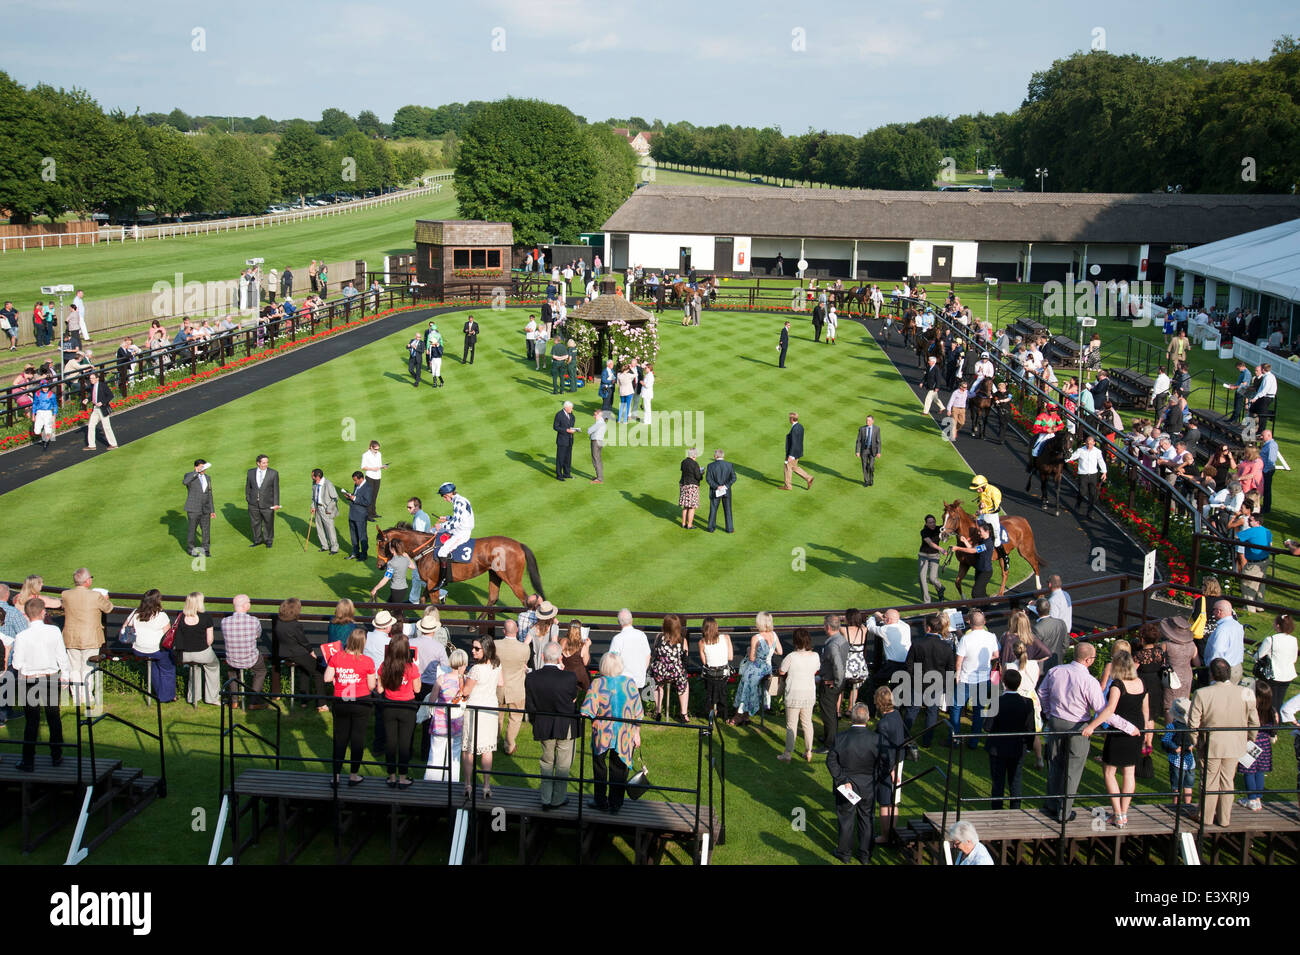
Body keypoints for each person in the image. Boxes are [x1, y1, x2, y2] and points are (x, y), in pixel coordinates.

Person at [1038, 641, 1138, 823]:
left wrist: (1048, 712)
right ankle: (1064, 812)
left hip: (1056, 722)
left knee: (1055, 763)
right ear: (1088, 660)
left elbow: (1042, 692)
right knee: (1073, 770)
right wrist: (1129, 727)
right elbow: (1103, 710)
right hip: (1078, 727)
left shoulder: (1056, 671)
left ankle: (1051, 804)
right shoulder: (1089, 681)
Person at [1188, 658, 1260, 827]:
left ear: (1212, 674)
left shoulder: (1202, 693)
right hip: (1235, 743)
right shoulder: (1245, 692)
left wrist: (1197, 742)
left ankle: (1205, 817)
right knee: (1228, 781)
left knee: (1209, 781)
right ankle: (1224, 819)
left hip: (1211, 744)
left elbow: (1193, 724)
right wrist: (1249, 739)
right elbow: (1254, 722)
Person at [1082, 649, 1149, 828]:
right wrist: (1147, 733)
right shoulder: (1141, 682)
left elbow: (1110, 710)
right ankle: (1124, 813)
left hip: (1120, 731)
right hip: (1137, 729)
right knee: (1129, 772)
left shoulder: (1117, 685)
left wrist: (1091, 726)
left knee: (1109, 772)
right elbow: (1146, 710)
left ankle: (1118, 814)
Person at [581, 652, 644, 814]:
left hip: (603, 733)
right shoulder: (629, 684)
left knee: (600, 767)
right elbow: (638, 712)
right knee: (619, 768)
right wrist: (636, 733)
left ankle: (600, 801)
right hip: (624, 734)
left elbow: (587, 710)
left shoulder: (598, 684)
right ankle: (616, 804)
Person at [11, 597, 69, 771]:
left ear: (27, 615)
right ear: (43, 613)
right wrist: (64, 675)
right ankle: (56, 756)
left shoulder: (21, 636)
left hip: (30, 680)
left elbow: (16, 664)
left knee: (32, 721)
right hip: (50, 677)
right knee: (54, 718)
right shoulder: (54, 631)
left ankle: (28, 761)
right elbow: (62, 656)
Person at [525, 641, 579, 809]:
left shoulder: (532, 677)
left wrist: (536, 721)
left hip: (544, 723)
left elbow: (530, 705)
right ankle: (557, 798)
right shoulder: (569, 677)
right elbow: (573, 699)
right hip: (565, 725)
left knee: (547, 762)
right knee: (563, 764)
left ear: (543, 656)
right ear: (560, 657)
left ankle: (546, 798)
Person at [826, 702, 880, 864]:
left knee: (846, 819)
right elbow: (883, 762)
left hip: (846, 785)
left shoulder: (840, 738)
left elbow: (831, 761)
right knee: (867, 819)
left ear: (851, 717)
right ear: (868, 718)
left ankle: (844, 853)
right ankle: (865, 855)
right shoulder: (876, 739)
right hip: (868, 785)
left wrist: (842, 780)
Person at [323, 627, 376, 786]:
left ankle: (336, 775)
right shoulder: (367, 661)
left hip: (341, 700)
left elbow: (327, 678)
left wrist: (341, 678)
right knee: (357, 738)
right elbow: (372, 685)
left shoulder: (337, 657)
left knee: (340, 738)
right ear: (363, 643)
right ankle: (353, 775)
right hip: (361, 701)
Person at [60, 568, 112, 706]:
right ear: (87, 581)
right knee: (88, 668)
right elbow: (108, 608)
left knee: (74, 668)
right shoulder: (95, 596)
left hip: (71, 636)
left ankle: (77, 696)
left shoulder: (66, 594)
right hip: (90, 637)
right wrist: (105, 598)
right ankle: (87, 696)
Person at [461, 635, 504, 798]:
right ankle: (486, 786)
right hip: (490, 708)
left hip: (475, 708)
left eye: (477, 648)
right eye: (473, 647)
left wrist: (461, 676)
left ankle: (468, 785)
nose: (473, 651)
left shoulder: (476, 669)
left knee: (468, 749)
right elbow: (500, 683)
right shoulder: (496, 664)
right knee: (487, 749)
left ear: (486, 649)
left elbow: (465, 691)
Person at [378, 633, 421, 787]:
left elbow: (380, 688)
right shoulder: (411, 667)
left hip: (389, 705)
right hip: (407, 707)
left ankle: (391, 776)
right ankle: (403, 777)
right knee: (404, 742)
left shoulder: (384, 666)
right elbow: (417, 689)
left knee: (390, 741)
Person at [272, 598, 328, 710]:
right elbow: (303, 641)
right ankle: (321, 704)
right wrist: (311, 651)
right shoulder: (295, 625)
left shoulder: (278, 622)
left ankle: (304, 699)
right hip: (297, 653)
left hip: (286, 653)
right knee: (319, 672)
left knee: (305, 670)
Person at [424, 647, 467, 782]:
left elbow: (432, 700)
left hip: (440, 721)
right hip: (458, 722)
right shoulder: (466, 681)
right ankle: (452, 781)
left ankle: (432, 781)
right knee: (454, 754)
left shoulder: (441, 679)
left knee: (436, 752)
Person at [732, 612, 782, 725]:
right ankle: (746, 715)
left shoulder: (756, 638)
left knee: (744, 684)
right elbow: (780, 651)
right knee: (750, 685)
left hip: (756, 669)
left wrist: (749, 650)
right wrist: (769, 651)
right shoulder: (774, 635)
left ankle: (739, 714)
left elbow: (752, 658)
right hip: (767, 668)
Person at [778, 628, 820, 762]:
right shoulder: (815, 656)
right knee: (807, 723)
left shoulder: (791, 657)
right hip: (808, 693)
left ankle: (787, 753)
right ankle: (808, 751)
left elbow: (782, 671)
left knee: (791, 724)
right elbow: (816, 669)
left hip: (794, 693)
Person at [128, 589, 177, 704]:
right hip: (156, 650)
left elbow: (127, 626)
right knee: (168, 668)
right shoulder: (161, 615)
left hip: (139, 649)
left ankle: (161, 693)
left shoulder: (136, 613)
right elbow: (168, 635)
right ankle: (167, 696)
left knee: (155, 666)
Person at [174, 591, 219, 705]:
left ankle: (192, 697)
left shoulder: (180, 617)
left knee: (194, 667)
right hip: (202, 652)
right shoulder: (206, 617)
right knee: (213, 667)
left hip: (184, 654)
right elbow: (210, 640)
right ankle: (212, 698)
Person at [1238, 682, 1277, 812]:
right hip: (1265, 743)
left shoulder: (1250, 709)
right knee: (1260, 771)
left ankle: (1251, 799)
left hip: (1251, 742)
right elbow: (1274, 727)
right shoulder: (1271, 710)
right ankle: (1258, 799)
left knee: (1249, 772)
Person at [221, 594, 264, 709]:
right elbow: (258, 635)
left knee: (232, 673)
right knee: (261, 671)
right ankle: (254, 701)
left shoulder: (225, 621)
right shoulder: (254, 621)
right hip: (250, 658)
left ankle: (234, 700)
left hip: (232, 658)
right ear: (246, 605)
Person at [873, 685, 905, 842]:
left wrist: (890, 770)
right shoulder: (897, 715)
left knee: (885, 803)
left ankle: (886, 836)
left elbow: (884, 751)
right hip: (899, 761)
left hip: (888, 766)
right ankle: (892, 833)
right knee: (894, 801)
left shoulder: (882, 724)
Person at [432, 482, 474, 599]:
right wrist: (446, 518)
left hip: (461, 533)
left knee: (442, 552)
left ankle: (443, 579)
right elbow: (459, 518)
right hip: (460, 529)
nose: (445, 499)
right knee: (436, 533)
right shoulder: (460, 500)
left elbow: (456, 523)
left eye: (444, 496)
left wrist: (442, 526)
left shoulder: (458, 502)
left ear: (450, 494)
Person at [495, 626, 530, 755]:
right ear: (517, 631)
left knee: (497, 715)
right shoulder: (524, 648)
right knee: (515, 717)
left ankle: (495, 740)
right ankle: (509, 745)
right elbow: (524, 662)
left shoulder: (495, 645)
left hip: (499, 686)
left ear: (504, 631)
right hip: (516, 688)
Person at [649, 615, 690, 723]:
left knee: (658, 684)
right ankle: (684, 714)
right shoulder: (682, 640)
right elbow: (685, 659)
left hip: (660, 672)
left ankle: (658, 712)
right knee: (684, 684)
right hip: (675, 673)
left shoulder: (658, 637)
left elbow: (655, 653)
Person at [817, 615, 849, 752]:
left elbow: (837, 666)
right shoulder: (842, 640)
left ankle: (829, 744)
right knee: (830, 712)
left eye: (824, 625)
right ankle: (829, 737)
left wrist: (836, 683)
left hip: (830, 683)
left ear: (828, 627)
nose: (823, 627)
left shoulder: (832, 644)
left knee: (828, 714)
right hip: (836, 681)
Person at [1256, 613, 1297, 710]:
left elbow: (1258, 656)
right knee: (1279, 702)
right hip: (1287, 676)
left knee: (1270, 703)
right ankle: (1277, 722)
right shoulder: (1293, 639)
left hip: (1273, 676)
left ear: (1278, 625)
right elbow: (1294, 659)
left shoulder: (1270, 640)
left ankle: (1272, 723)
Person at [244, 454, 281, 548]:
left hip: (268, 504)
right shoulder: (250, 472)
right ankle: (257, 540)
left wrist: (276, 503)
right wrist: (248, 498)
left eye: (267, 462)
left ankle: (269, 541)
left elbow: (276, 489)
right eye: (264, 462)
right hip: (253, 504)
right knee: (255, 523)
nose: (266, 464)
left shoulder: (273, 473)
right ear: (258, 463)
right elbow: (248, 487)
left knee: (268, 523)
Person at [1204, 600, 1245, 685]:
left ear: (1219, 611)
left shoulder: (1222, 629)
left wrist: (1213, 670)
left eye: (1214, 610)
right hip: (1236, 667)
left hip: (1223, 671)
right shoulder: (1238, 625)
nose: (1213, 612)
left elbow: (1217, 651)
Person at [609, 609, 651, 690]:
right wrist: (641, 671)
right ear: (632, 620)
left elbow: (612, 662)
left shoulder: (617, 639)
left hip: (622, 682)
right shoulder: (641, 635)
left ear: (619, 622)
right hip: (639, 680)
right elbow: (648, 656)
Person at [182, 459, 216, 557]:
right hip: (193, 508)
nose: (203, 469)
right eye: (201, 467)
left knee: (206, 530)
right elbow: (185, 482)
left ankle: (206, 550)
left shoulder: (208, 477)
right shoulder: (189, 475)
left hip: (205, 509)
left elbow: (210, 494)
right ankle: (191, 550)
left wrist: (212, 510)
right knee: (192, 530)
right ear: (196, 467)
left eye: (204, 467)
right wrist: (195, 472)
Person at [341, 472, 373, 562]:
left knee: (362, 536)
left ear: (361, 478)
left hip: (361, 515)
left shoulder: (368, 487)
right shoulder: (357, 485)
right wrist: (349, 496)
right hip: (352, 514)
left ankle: (364, 554)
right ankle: (355, 552)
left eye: (355, 480)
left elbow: (367, 502)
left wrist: (354, 498)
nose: (354, 482)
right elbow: (356, 496)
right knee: (353, 536)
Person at [705, 448, 737, 533]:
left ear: (716, 456)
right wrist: (725, 486)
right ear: (723, 456)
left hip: (715, 491)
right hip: (726, 491)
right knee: (728, 510)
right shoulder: (729, 465)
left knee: (713, 509)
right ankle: (729, 529)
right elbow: (734, 478)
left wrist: (717, 486)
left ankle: (711, 528)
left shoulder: (710, 466)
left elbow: (708, 479)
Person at [309, 468, 340, 554]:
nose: (311, 477)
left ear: (318, 476)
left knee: (330, 528)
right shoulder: (314, 483)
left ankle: (334, 548)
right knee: (319, 528)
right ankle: (325, 546)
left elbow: (335, 498)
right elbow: (313, 497)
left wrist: (329, 509)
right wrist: (313, 506)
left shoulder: (328, 484)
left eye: (312, 476)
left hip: (326, 509)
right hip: (317, 508)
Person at [781, 412, 814, 491]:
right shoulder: (800, 426)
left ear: (792, 419)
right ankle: (809, 478)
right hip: (798, 452)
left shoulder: (794, 429)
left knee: (787, 466)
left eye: (789, 418)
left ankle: (788, 486)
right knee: (794, 467)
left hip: (793, 453)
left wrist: (791, 455)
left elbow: (794, 442)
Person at [917, 515, 945, 602]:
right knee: (922, 578)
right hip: (923, 555)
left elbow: (949, 527)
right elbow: (930, 543)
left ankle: (940, 588)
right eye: (930, 523)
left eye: (934, 522)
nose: (932, 524)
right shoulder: (924, 531)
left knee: (932, 578)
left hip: (934, 556)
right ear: (926, 523)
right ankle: (927, 602)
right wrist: (941, 549)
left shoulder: (939, 529)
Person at [360, 441, 387, 520]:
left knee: (375, 496)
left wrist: (383, 466)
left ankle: (373, 513)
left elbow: (379, 465)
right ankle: (368, 515)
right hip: (370, 477)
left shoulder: (379, 454)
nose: (377, 451)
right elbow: (363, 467)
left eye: (378, 449)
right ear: (371, 447)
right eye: (375, 449)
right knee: (369, 496)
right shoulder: (365, 455)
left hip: (378, 476)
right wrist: (372, 468)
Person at [854, 415, 881, 488]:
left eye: (869, 420)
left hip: (872, 451)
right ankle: (866, 481)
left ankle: (871, 479)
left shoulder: (877, 429)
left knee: (871, 466)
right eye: (866, 420)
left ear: (872, 421)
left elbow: (878, 441)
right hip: (864, 450)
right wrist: (857, 451)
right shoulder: (862, 429)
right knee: (864, 466)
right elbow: (858, 441)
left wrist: (878, 452)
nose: (867, 421)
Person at [678, 448, 703, 529]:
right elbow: (698, 476)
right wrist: (701, 473)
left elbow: (683, 470)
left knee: (685, 506)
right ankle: (689, 525)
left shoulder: (683, 462)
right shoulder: (695, 464)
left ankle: (683, 523)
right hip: (692, 486)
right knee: (692, 507)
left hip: (683, 484)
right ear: (694, 455)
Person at [553, 401, 577, 480]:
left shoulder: (571, 414)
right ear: (566, 408)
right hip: (562, 440)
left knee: (568, 458)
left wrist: (573, 429)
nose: (572, 409)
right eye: (571, 408)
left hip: (570, 440)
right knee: (560, 458)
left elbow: (572, 421)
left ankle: (567, 473)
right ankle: (559, 475)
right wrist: (566, 430)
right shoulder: (559, 415)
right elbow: (555, 427)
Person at [587, 409, 606, 484]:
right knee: (598, 459)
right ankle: (599, 476)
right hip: (600, 441)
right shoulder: (602, 422)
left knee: (595, 459)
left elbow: (589, 430)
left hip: (595, 442)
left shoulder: (599, 423)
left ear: (599, 415)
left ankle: (599, 478)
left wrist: (590, 431)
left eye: (595, 415)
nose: (594, 416)